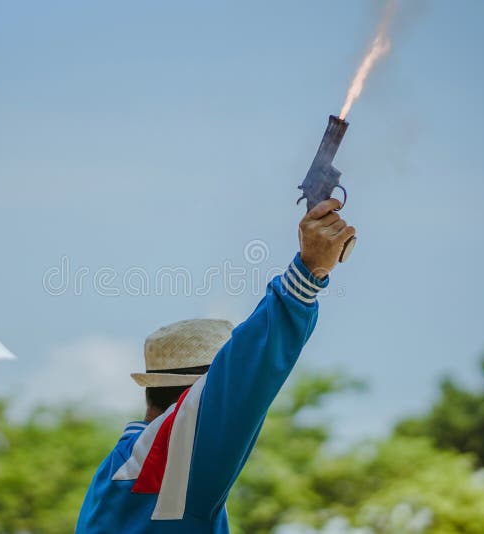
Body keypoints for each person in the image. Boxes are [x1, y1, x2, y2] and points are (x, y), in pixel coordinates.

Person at [76, 199, 355, 533]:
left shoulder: (111, 474)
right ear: (201, 393)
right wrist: (308, 273)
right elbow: (242, 373)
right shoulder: (174, 459)